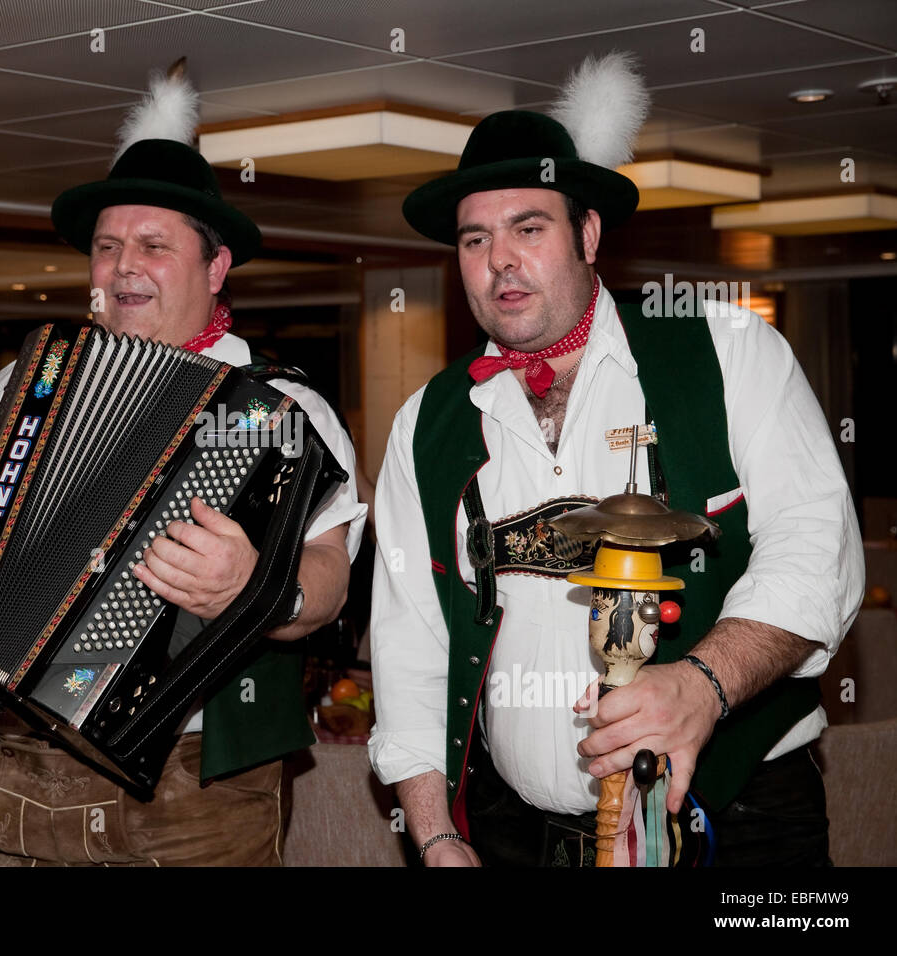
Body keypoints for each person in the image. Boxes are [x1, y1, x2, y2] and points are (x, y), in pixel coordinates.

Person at [368, 52, 864, 867]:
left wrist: (702, 683)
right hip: (513, 836)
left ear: (588, 234)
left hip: (737, 820)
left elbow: (818, 549)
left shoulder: (727, 351)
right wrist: (436, 832)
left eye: (529, 228)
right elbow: (409, 645)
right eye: (476, 238)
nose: (500, 261)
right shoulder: (427, 422)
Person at [0, 63, 365, 866]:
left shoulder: (277, 408)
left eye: (152, 246)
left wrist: (258, 588)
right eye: (106, 247)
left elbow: (332, 578)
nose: (122, 267)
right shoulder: (29, 380)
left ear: (216, 270)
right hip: (14, 761)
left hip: (193, 785)